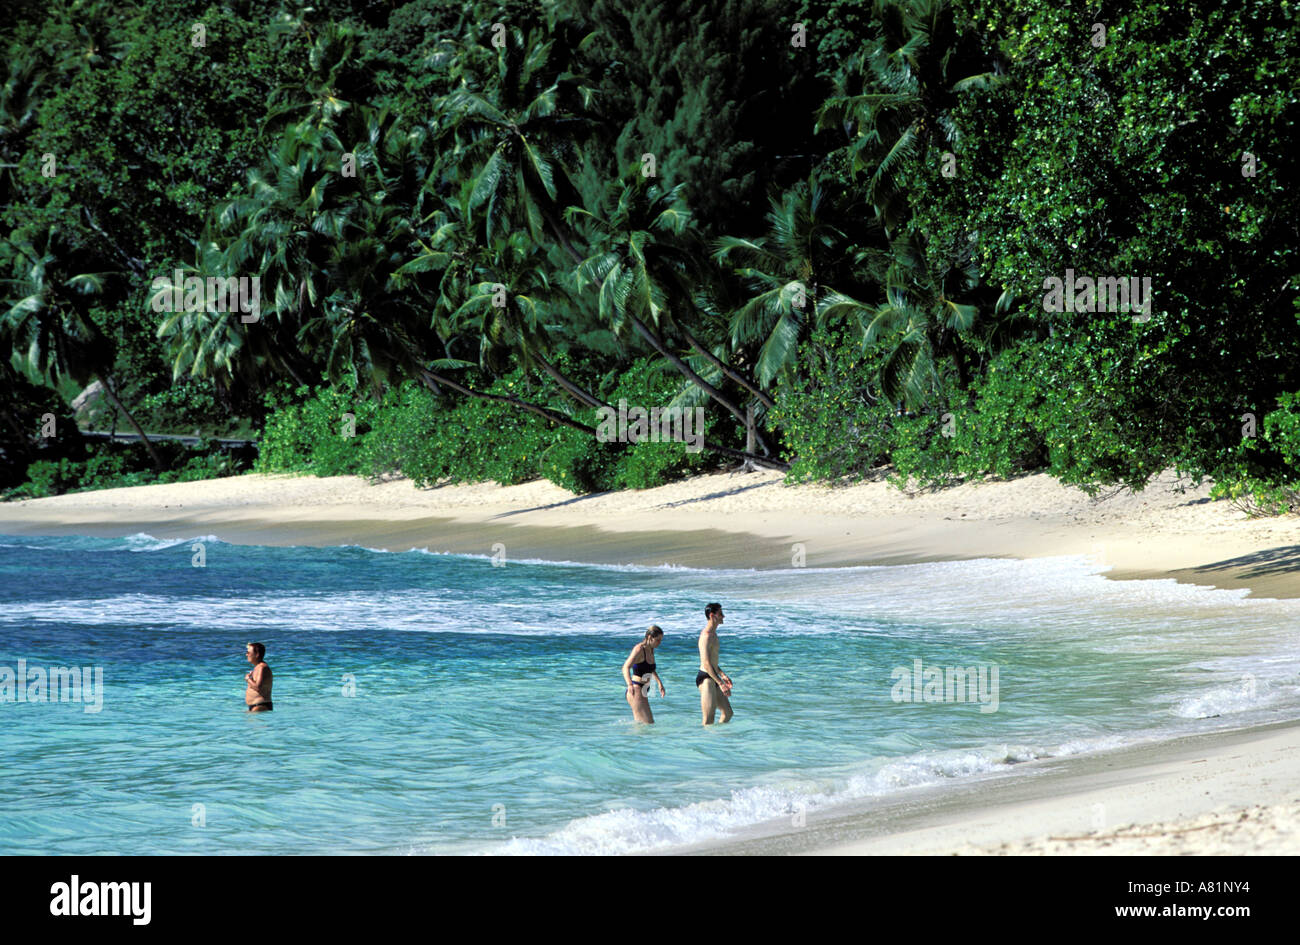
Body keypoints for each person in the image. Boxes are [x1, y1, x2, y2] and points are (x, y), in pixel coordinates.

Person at [696, 603, 733, 725]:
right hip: (706, 678)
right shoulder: (706, 637)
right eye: (720, 614)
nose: (724, 616)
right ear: (712, 616)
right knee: (708, 720)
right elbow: (706, 664)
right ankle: (703, 742)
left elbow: (713, 662)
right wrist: (721, 683)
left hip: (714, 677)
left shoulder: (714, 634)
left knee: (728, 713)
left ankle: (716, 740)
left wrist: (723, 675)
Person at [622, 625, 665, 724]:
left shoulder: (651, 649)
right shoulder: (639, 649)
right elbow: (625, 667)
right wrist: (629, 684)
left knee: (645, 725)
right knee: (647, 724)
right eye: (658, 640)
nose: (659, 643)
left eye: (661, 640)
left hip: (644, 689)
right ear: (650, 637)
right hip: (636, 689)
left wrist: (659, 683)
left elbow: (650, 669)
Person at [244, 642, 273, 712]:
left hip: (260, 705)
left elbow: (258, 687)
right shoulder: (258, 667)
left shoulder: (262, 668)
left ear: (257, 654)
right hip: (256, 705)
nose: (246, 654)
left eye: (248, 653)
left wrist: (248, 679)